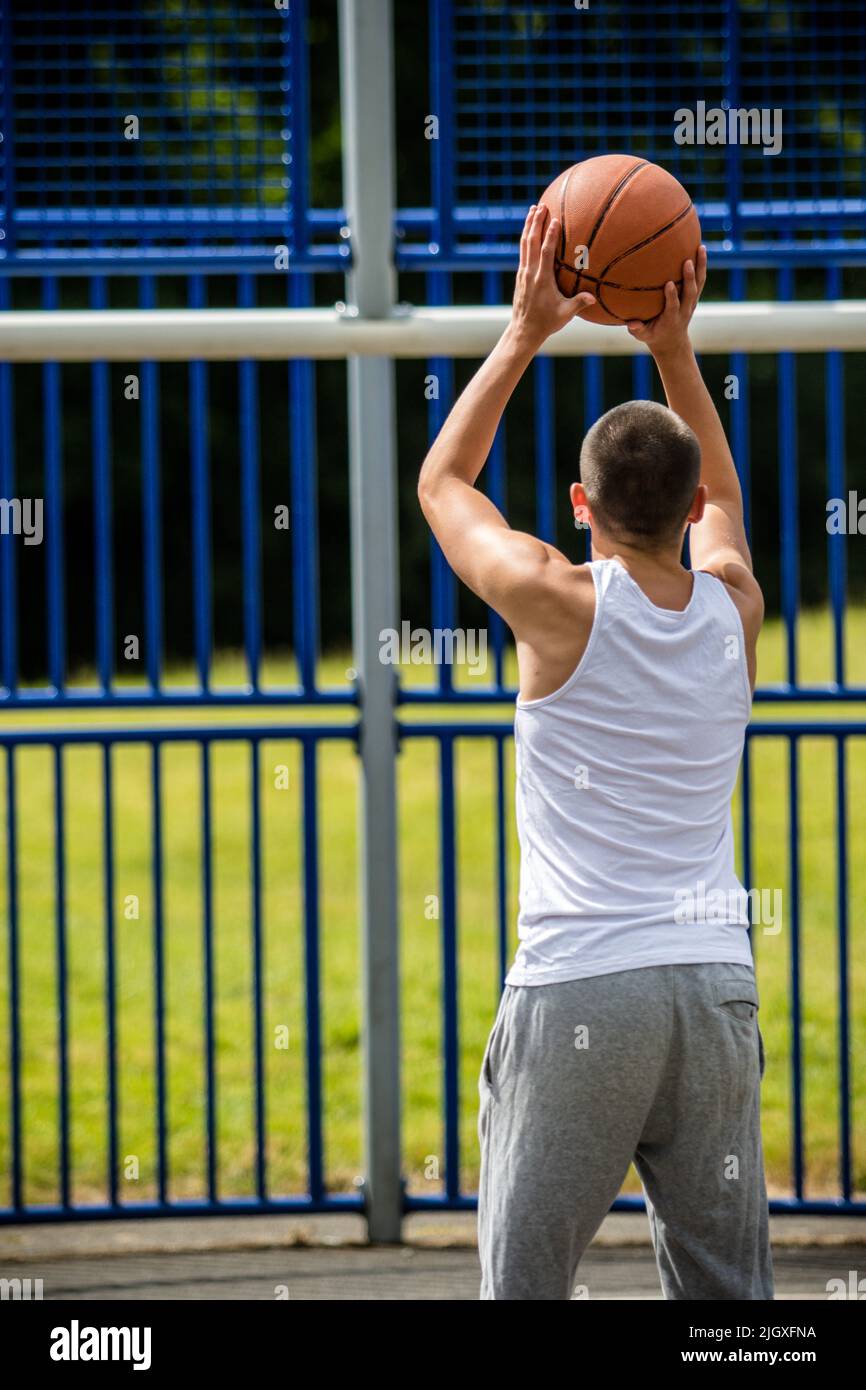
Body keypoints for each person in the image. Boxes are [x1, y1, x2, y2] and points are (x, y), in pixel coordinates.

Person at [417, 204, 773, 1301]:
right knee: (727, 1301)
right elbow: (723, 500)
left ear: (579, 504)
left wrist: (524, 329)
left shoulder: (558, 606)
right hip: (714, 990)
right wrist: (672, 345)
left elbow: (441, 484)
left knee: (522, 1288)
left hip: (582, 991)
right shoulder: (734, 609)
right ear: (692, 510)